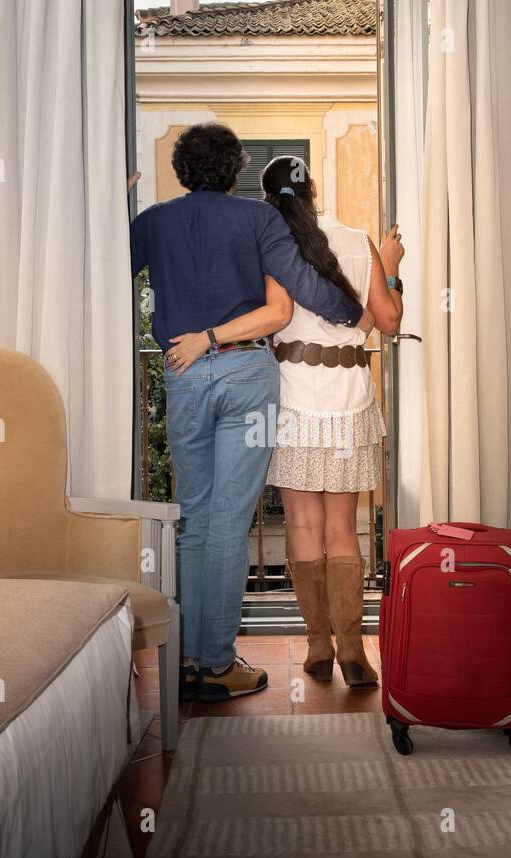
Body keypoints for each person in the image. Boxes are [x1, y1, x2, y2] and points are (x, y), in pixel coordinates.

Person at [130, 123, 364, 702]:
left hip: (183, 372)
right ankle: (216, 663)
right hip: (247, 378)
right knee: (230, 523)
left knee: (193, 519)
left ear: (182, 170)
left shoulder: (154, 221)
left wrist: (113, 209)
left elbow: (104, 268)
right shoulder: (257, 219)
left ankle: (185, 659)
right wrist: (348, 311)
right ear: (235, 169)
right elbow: (300, 281)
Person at [169, 155, 404, 688]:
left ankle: (318, 647)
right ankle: (353, 653)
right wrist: (390, 268)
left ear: (268, 198)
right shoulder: (357, 240)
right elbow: (387, 320)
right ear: (313, 188)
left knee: (301, 525)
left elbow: (273, 317)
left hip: (295, 396)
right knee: (342, 528)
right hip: (349, 397)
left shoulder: (272, 245)